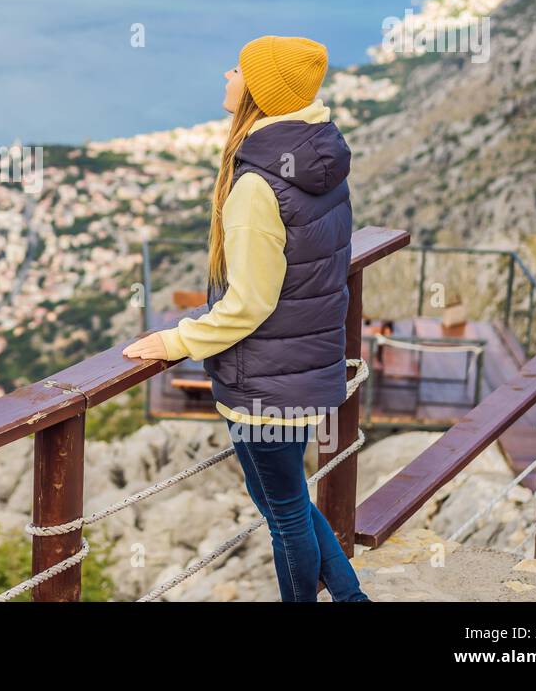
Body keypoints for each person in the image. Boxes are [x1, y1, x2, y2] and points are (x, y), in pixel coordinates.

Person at [123, 34, 370, 602]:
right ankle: (353, 600)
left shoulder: (258, 185)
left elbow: (250, 302)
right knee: (293, 504)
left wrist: (174, 341)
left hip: (264, 381)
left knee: (285, 517)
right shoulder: (319, 158)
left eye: (238, 67)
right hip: (304, 366)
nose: (227, 73)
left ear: (260, 89)